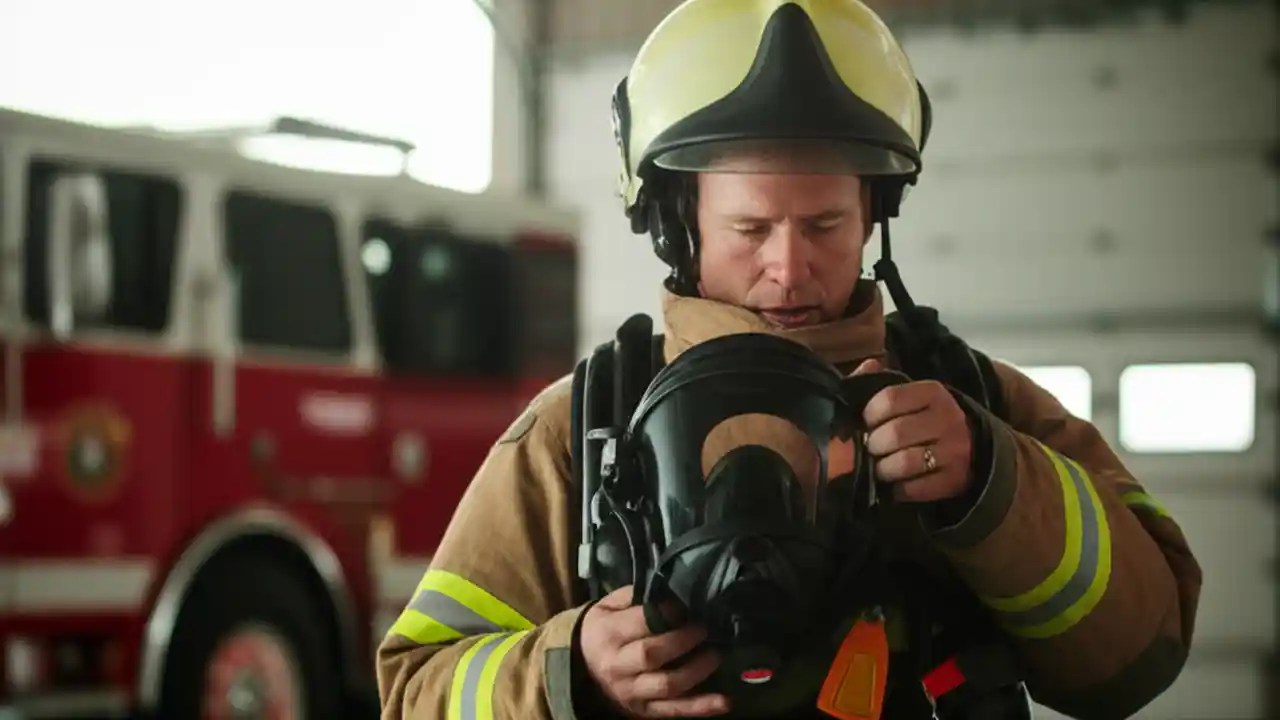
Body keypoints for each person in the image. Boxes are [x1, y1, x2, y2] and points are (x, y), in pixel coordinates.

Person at [376, 1, 1202, 718]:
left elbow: (1144, 654)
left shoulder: (968, 405)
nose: (790, 267)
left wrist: (992, 480)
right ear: (678, 221)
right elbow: (414, 690)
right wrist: (571, 668)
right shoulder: (583, 428)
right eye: (750, 229)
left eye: (825, 226)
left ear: (876, 212)